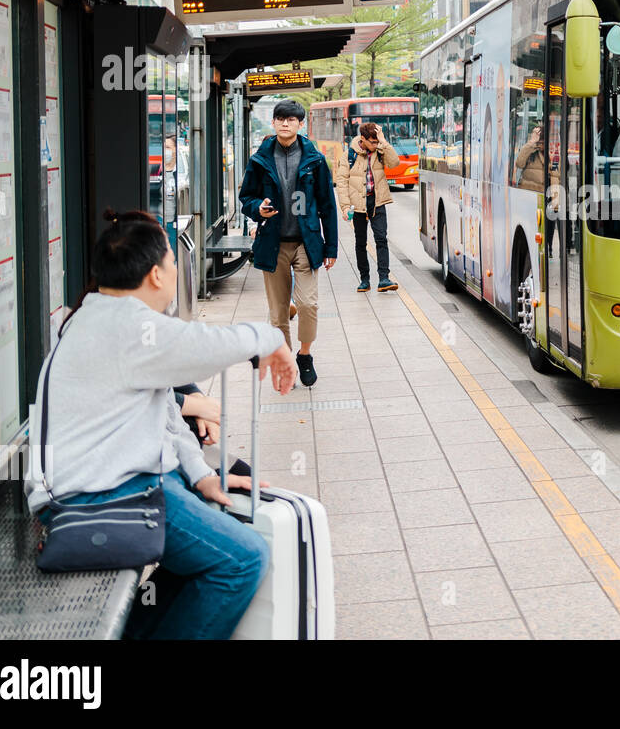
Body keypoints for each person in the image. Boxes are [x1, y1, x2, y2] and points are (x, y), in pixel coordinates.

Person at [26, 209, 298, 640]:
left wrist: (202, 474)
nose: (175, 269)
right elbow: (209, 345)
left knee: (210, 547)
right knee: (243, 560)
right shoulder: (129, 327)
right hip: (101, 497)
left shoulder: (96, 316)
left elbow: (167, 414)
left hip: (115, 482)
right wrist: (273, 338)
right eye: (172, 262)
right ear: (155, 275)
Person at [239, 99, 337, 388]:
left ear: (300, 124)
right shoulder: (259, 159)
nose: (285, 123)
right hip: (273, 243)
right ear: (273, 122)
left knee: (308, 305)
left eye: (291, 119)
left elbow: (327, 205)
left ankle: (304, 354)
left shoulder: (315, 159)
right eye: (280, 118)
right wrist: (259, 207)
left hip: (306, 242)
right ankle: (286, 360)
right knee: (278, 312)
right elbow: (246, 198)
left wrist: (330, 247)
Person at [334, 121, 400, 292]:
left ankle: (384, 278)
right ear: (363, 139)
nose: (375, 144)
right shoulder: (349, 154)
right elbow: (341, 182)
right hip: (357, 205)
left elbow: (394, 163)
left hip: (377, 202)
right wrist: (345, 206)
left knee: (381, 239)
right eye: (373, 141)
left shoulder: (380, 150)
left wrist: (383, 142)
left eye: (377, 141)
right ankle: (365, 279)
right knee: (360, 242)